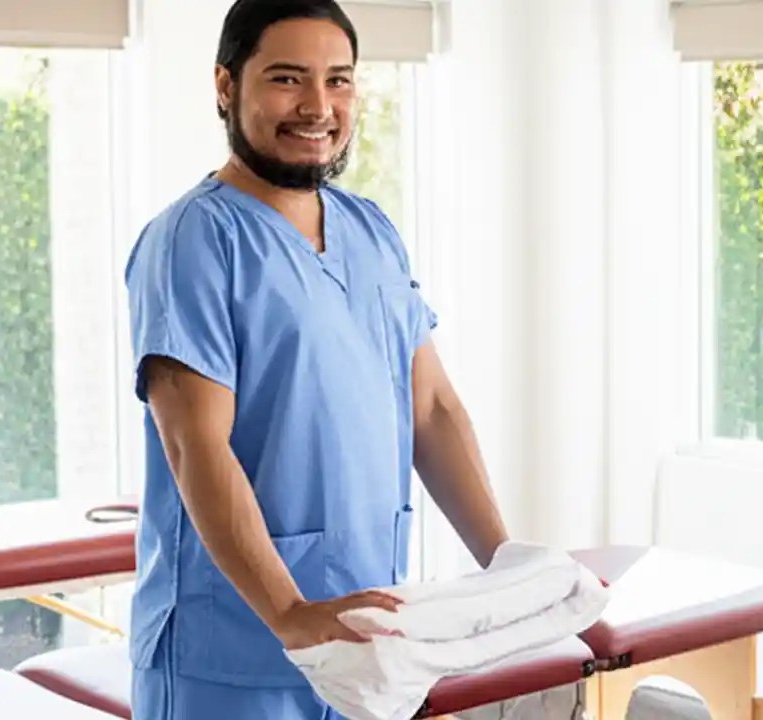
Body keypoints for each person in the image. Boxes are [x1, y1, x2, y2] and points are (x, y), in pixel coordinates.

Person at [123, 1, 510, 717]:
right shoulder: (193, 240)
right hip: (234, 655)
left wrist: (507, 565)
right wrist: (291, 612)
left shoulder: (371, 229)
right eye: (287, 79)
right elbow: (193, 443)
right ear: (225, 86)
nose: (318, 107)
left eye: (339, 80)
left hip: (366, 640)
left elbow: (430, 409)